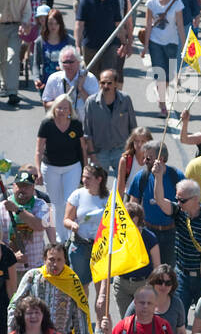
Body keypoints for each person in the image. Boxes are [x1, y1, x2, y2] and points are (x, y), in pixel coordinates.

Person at [8, 241, 92, 334]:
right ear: (44, 260)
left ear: (65, 260)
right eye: (51, 259)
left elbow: (79, 313)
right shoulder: (33, 276)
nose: (55, 264)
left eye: (59, 260)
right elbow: (14, 305)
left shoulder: (72, 281)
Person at [151, 166, 201, 314]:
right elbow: (160, 201)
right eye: (177, 199)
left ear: (196, 199)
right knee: (177, 315)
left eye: (182, 200)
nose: (179, 203)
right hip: (181, 276)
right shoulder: (179, 212)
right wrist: (158, 177)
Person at [35, 93, 86, 238]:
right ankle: (59, 238)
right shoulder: (47, 124)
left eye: (65, 108)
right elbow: (39, 150)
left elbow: (83, 148)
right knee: (56, 204)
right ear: (54, 109)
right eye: (59, 108)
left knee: (69, 201)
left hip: (72, 167)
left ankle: (70, 235)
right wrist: (38, 171)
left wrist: (85, 168)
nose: (62, 111)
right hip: (51, 168)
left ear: (70, 110)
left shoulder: (76, 125)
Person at [0, 168, 56, 273]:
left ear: (33, 188)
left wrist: (17, 210)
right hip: (9, 269)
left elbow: (40, 225)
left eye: (26, 186)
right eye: (19, 186)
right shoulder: (2, 207)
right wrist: (12, 255)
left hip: (35, 268)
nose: (22, 190)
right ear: (13, 186)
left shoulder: (41, 205)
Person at [143, 0, 186, 115]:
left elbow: (180, 26)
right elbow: (148, 25)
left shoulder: (177, 3)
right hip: (155, 41)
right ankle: (162, 103)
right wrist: (146, 46)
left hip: (171, 42)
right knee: (159, 74)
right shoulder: (152, 2)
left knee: (169, 76)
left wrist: (184, 45)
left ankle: (161, 92)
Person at [63, 162, 108, 290]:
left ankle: (100, 304)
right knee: (80, 286)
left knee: (101, 287)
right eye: (83, 177)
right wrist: (72, 224)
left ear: (99, 179)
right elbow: (66, 220)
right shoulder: (77, 195)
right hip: (81, 245)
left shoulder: (109, 197)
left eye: (88, 178)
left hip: (101, 246)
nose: (84, 180)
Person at [82, 72, 137, 175]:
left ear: (116, 84)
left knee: (124, 181)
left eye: (109, 83)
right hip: (100, 152)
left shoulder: (125, 100)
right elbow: (87, 132)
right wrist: (92, 155)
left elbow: (133, 127)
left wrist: (132, 151)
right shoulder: (91, 102)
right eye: (103, 83)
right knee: (99, 182)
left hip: (121, 150)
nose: (106, 86)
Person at [41, 46, 99, 119]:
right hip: (62, 122)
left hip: (84, 122)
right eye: (65, 62)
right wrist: (60, 104)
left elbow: (95, 105)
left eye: (71, 62)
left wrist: (81, 89)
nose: (68, 65)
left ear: (78, 62)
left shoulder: (89, 78)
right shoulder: (54, 79)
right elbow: (46, 103)